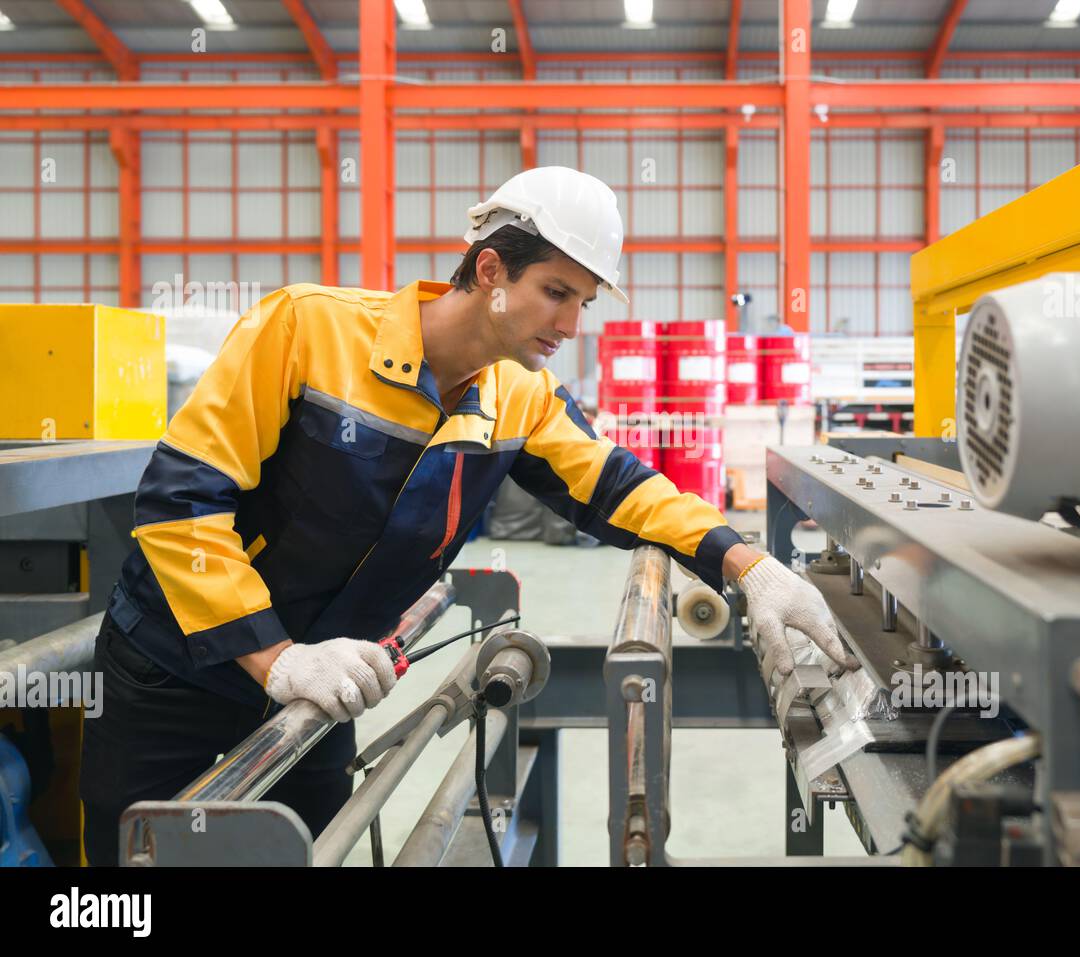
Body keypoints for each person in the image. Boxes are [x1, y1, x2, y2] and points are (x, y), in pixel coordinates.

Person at [79, 166, 856, 866]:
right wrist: (272, 655)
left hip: (320, 685)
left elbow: (617, 487)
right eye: (556, 292)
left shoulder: (519, 395)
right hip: (174, 674)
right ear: (490, 269)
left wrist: (747, 564)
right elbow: (183, 502)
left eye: (583, 301)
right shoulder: (305, 331)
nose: (572, 324)